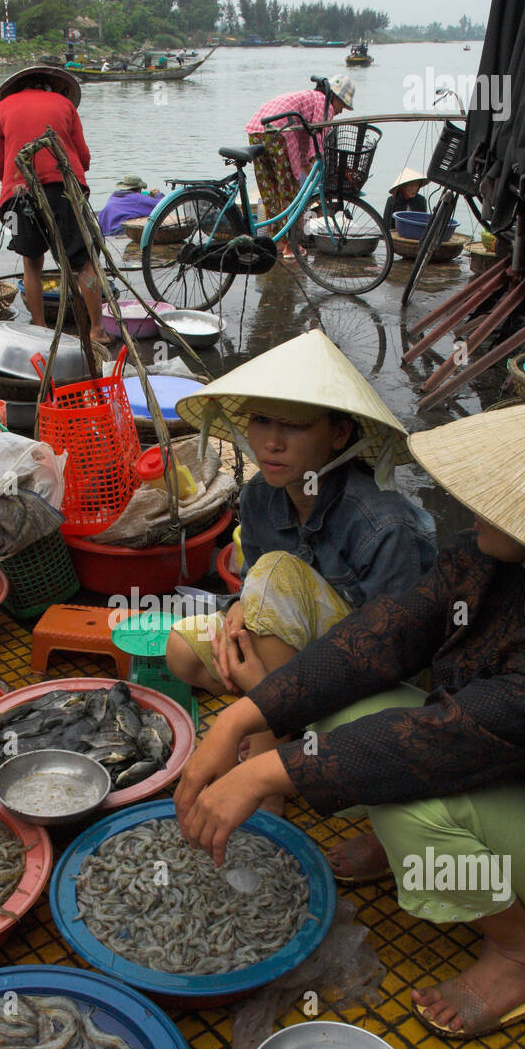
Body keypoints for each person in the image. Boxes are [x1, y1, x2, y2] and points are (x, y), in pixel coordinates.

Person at [174, 393, 525, 1039]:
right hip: (490, 776)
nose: (476, 499)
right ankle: (415, 855)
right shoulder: (480, 564)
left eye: (500, 493)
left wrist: (259, 775)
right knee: (348, 708)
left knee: (408, 795)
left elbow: (437, 742)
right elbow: (377, 639)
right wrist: (237, 723)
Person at [166, 329, 437, 812]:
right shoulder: (259, 497)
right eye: (262, 420)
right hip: (291, 661)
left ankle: (272, 755)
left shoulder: (381, 524)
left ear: (339, 434)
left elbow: (399, 652)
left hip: (365, 676)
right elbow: (254, 589)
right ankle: (280, 720)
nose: (271, 442)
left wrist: (267, 695)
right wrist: (238, 611)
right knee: (183, 649)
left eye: (293, 426)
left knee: (275, 574)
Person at [0, 65, 109, 344]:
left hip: (19, 191)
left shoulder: (2, 108)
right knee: (84, 262)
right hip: (63, 187)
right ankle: (96, 330)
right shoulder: (64, 104)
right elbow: (83, 157)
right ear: (50, 86)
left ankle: (40, 328)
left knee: (32, 262)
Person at [245, 74, 355, 257]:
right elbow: (318, 139)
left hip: (258, 130)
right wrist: (319, 166)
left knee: (270, 191)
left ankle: (277, 241)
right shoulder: (323, 102)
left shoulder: (309, 99)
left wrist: (308, 167)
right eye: (342, 105)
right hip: (278, 132)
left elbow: (305, 145)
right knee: (289, 192)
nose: (341, 111)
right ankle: (292, 246)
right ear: (335, 97)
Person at [97, 175, 162, 236]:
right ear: (139, 189)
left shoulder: (114, 196)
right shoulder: (138, 198)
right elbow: (161, 205)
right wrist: (158, 194)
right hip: (120, 231)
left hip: (105, 231)